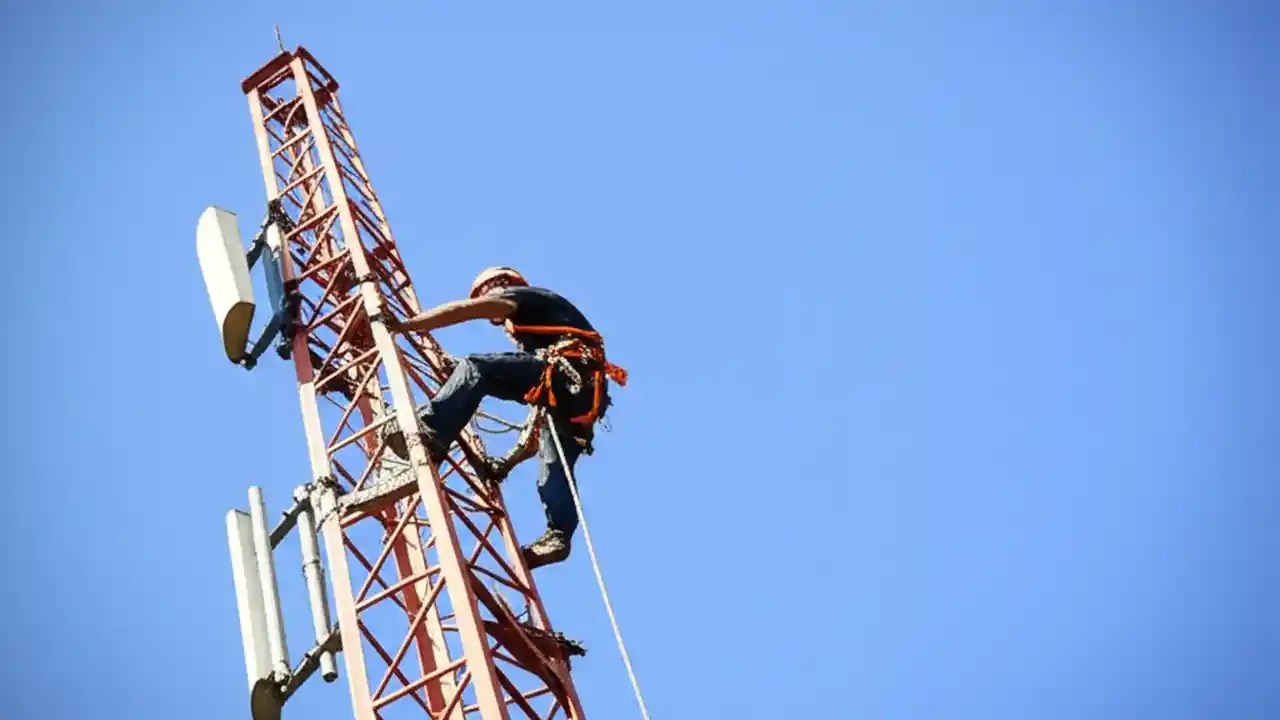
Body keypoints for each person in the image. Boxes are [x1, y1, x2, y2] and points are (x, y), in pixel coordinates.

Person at [382, 266, 626, 569]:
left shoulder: (521, 297)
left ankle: (431, 432)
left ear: (499, 286)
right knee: (553, 468)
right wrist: (505, 464)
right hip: (578, 402)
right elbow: (535, 436)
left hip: (566, 377)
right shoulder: (542, 333)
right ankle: (558, 538)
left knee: (476, 368)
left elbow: (464, 310)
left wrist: (407, 326)